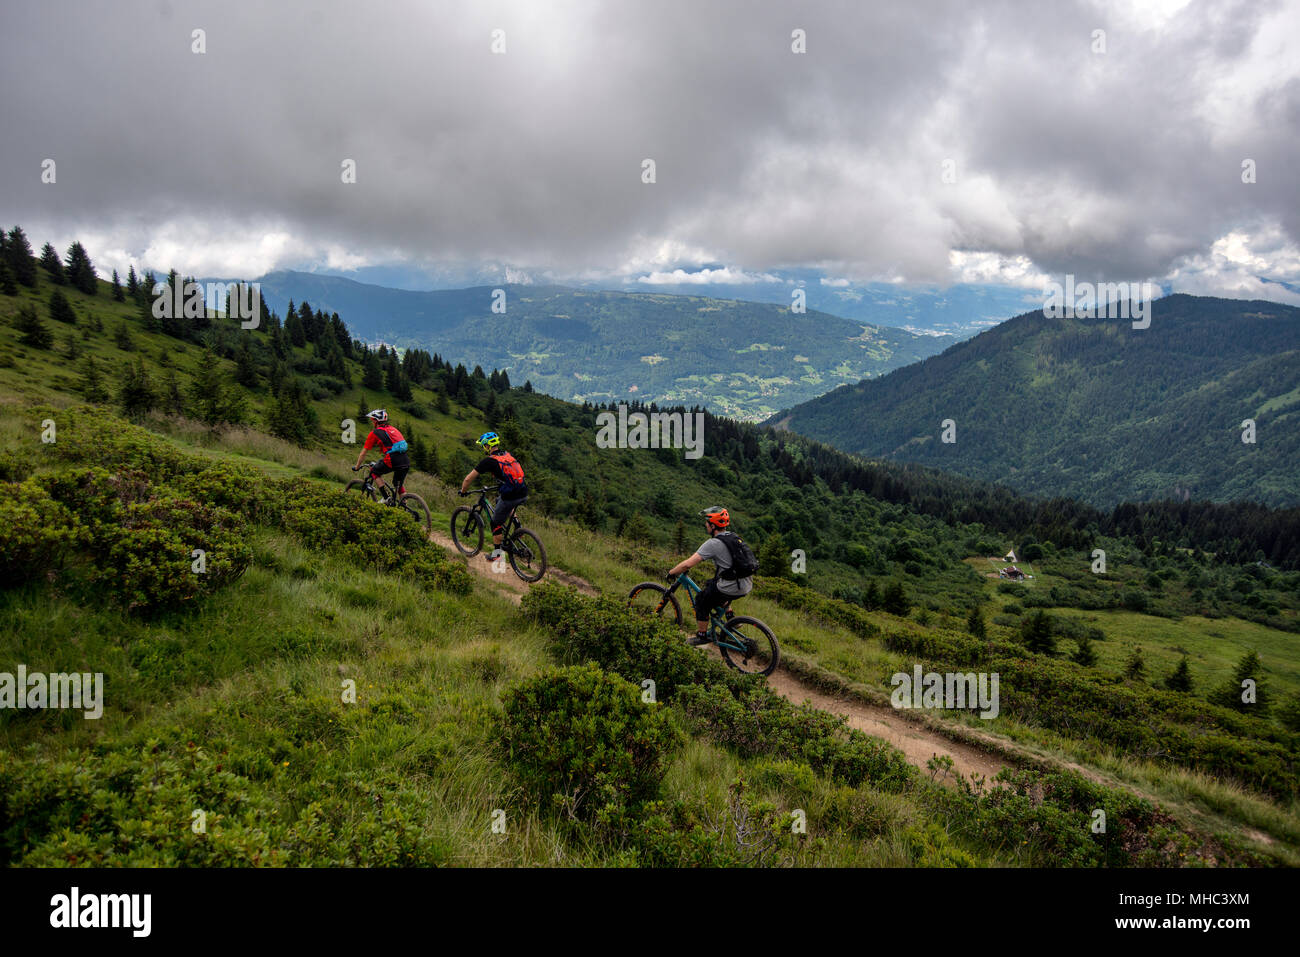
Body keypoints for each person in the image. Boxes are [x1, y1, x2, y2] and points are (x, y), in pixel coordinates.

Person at [667, 506, 754, 645]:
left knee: (701, 600)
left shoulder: (713, 543)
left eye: (707, 523)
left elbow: (687, 564)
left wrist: (672, 572)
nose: (705, 525)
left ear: (713, 526)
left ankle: (702, 636)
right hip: (746, 583)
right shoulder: (732, 536)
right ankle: (731, 619)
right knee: (711, 585)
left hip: (732, 585)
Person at [460, 431, 528, 562]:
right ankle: (518, 526)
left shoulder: (488, 461)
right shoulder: (507, 454)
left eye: (483, 446)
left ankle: (497, 554)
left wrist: (463, 491)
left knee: (495, 522)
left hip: (510, 495)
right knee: (500, 501)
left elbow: (468, 479)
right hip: (523, 492)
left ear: (487, 446)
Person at [352, 409, 409, 502]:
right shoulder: (393, 429)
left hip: (392, 459)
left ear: (375, 421)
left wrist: (357, 466)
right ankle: (405, 509)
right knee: (398, 484)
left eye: (372, 419)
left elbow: (363, 453)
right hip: (405, 459)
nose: (371, 421)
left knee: (374, 471)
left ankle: (386, 498)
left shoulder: (374, 433)